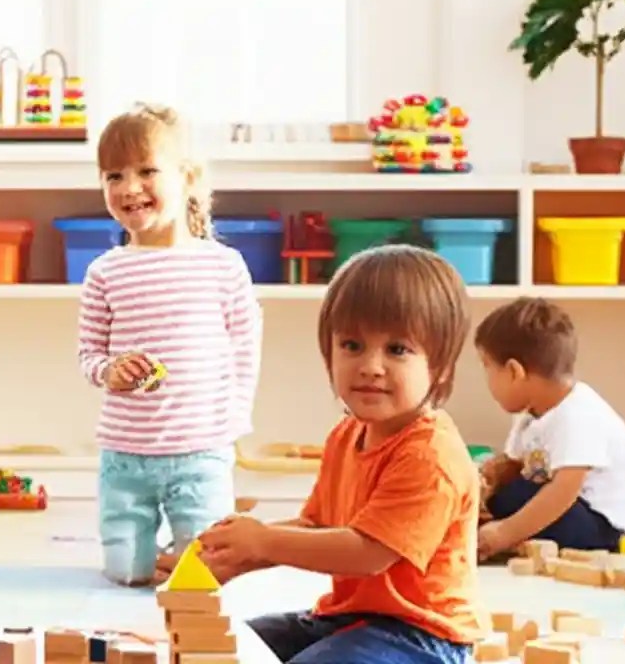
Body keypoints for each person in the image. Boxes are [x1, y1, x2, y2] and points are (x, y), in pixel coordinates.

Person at [197, 245, 485, 664]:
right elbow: (318, 527)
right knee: (232, 644)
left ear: (439, 366)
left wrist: (262, 540)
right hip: (352, 617)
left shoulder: (430, 454)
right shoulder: (346, 435)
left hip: (423, 634)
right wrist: (242, 554)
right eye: (352, 345)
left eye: (397, 350)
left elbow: (367, 554)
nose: (370, 366)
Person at [76, 103, 262, 587]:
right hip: (124, 453)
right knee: (124, 573)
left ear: (187, 177)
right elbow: (89, 356)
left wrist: (233, 420)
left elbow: (244, 347)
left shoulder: (223, 266)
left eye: (147, 171)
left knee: (202, 578)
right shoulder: (104, 271)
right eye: (113, 175)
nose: (129, 187)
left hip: (200, 450)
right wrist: (108, 370)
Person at [474, 297, 625, 558]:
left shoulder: (579, 414)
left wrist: (506, 531)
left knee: (518, 496)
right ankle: (494, 528)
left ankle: (503, 535)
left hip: (596, 524)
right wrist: (486, 481)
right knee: (506, 493)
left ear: (514, 371)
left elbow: (563, 491)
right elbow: (515, 466)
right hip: (562, 506)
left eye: (487, 367)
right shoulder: (531, 414)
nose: (486, 378)